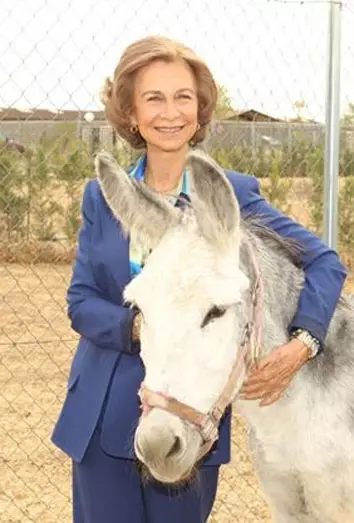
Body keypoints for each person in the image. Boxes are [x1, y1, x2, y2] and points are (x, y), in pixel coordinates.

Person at [51, 35, 347, 523]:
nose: (171, 112)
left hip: (193, 412)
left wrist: (302, 344)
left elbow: (326, 264)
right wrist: (148, 327)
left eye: (183, 97)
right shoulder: (103, 197)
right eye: (154, 98)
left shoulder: (231, 195)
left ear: (200, 109)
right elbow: (81, 300)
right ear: (130, 112)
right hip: (103, 411)